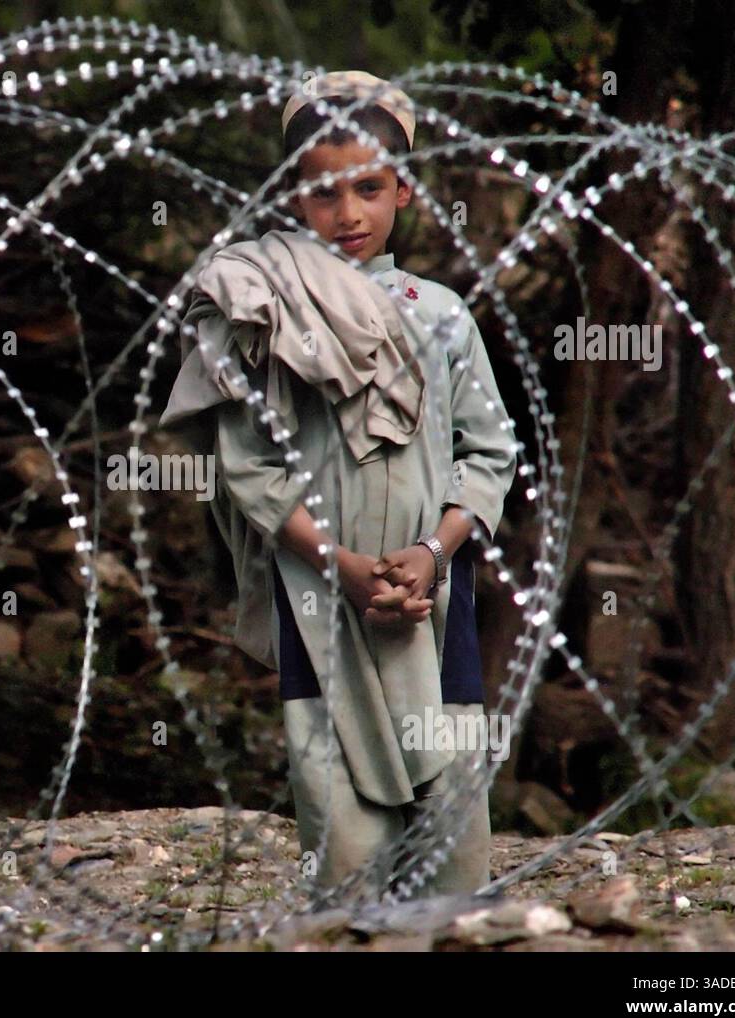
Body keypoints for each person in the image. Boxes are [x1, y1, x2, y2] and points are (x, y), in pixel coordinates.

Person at [158, 71, 516, 894]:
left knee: (450, 818)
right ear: (292, 193)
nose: (348, 213)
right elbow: (251, 469)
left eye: (369, 188)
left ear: (403, 190)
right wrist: (345, 569)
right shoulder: (261, 305)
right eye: (324, 192)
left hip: (431, 596)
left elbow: (489, 454)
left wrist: (433, 551)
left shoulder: (441, 314)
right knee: (344, 835)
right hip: (320, 591)